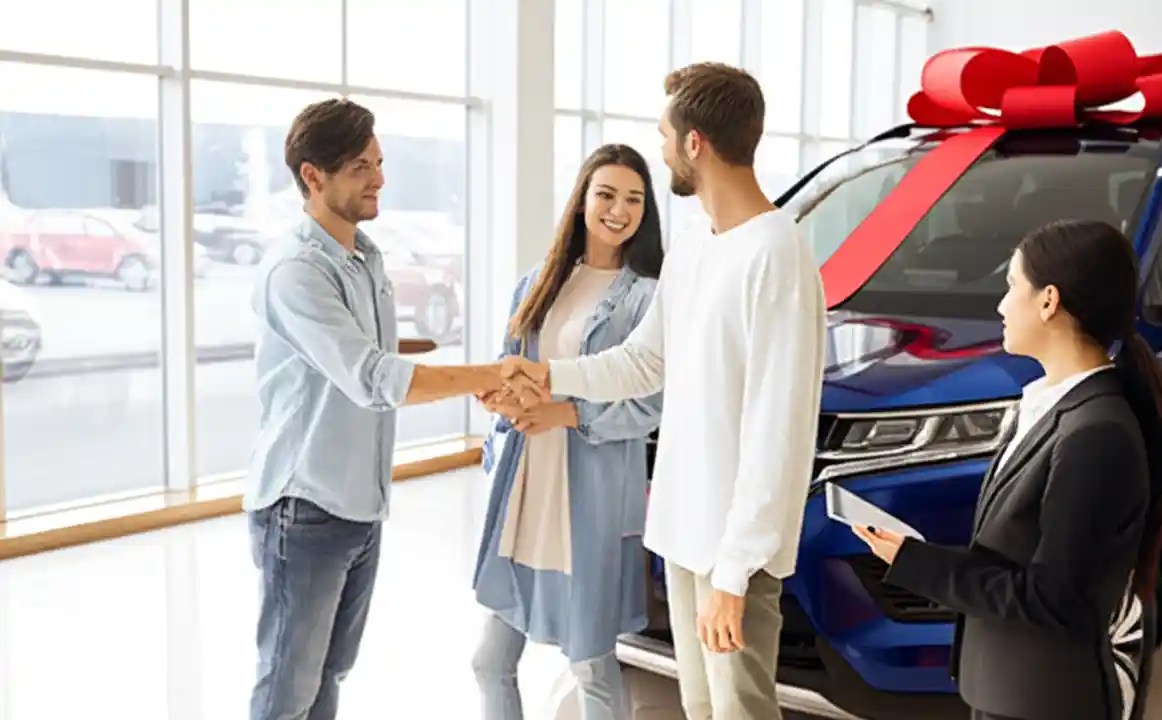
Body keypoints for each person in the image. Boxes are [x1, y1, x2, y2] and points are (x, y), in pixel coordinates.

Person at [503, 63, 826, 720]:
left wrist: (734, 574)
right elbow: (644, 362)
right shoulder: (694, 247)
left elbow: (778, 431)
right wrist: (548, 375)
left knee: (742, 712)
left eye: (664, 135)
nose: (661, 149)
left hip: (734, 551)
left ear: (695, 143)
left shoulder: (776, 253)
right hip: (682, 534)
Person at [244, 98, 512, 720]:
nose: (380, 178)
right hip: (304, 507)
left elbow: (373, 355)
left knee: (329, 676)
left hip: (360, 507)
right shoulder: (295, 271)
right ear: (314, 176)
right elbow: (371, 376)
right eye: (362, 166)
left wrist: (462, 374)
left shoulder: (366, 257)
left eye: (379, 162)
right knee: (287, 687)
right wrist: (485, 376)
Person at [853, 219, 1162, 720]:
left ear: (1049, 301)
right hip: (1013, 692)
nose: (1001, 306)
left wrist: (917, 564)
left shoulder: (1097, 435)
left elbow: (1053, 599)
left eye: (1010, 288)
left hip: (1046, 702)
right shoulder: (1053, 408)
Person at [468, 143, 665, 720]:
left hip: (590, 497)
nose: (618, 210)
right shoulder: (540, 281)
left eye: (633, 199)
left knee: (591, 664)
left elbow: (651, 404)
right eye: (606, 194)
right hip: (527, 488)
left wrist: (566, 413)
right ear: (582, 199)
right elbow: (512, 364)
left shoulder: (646, 298)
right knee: (489, 663)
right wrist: (500, 398)